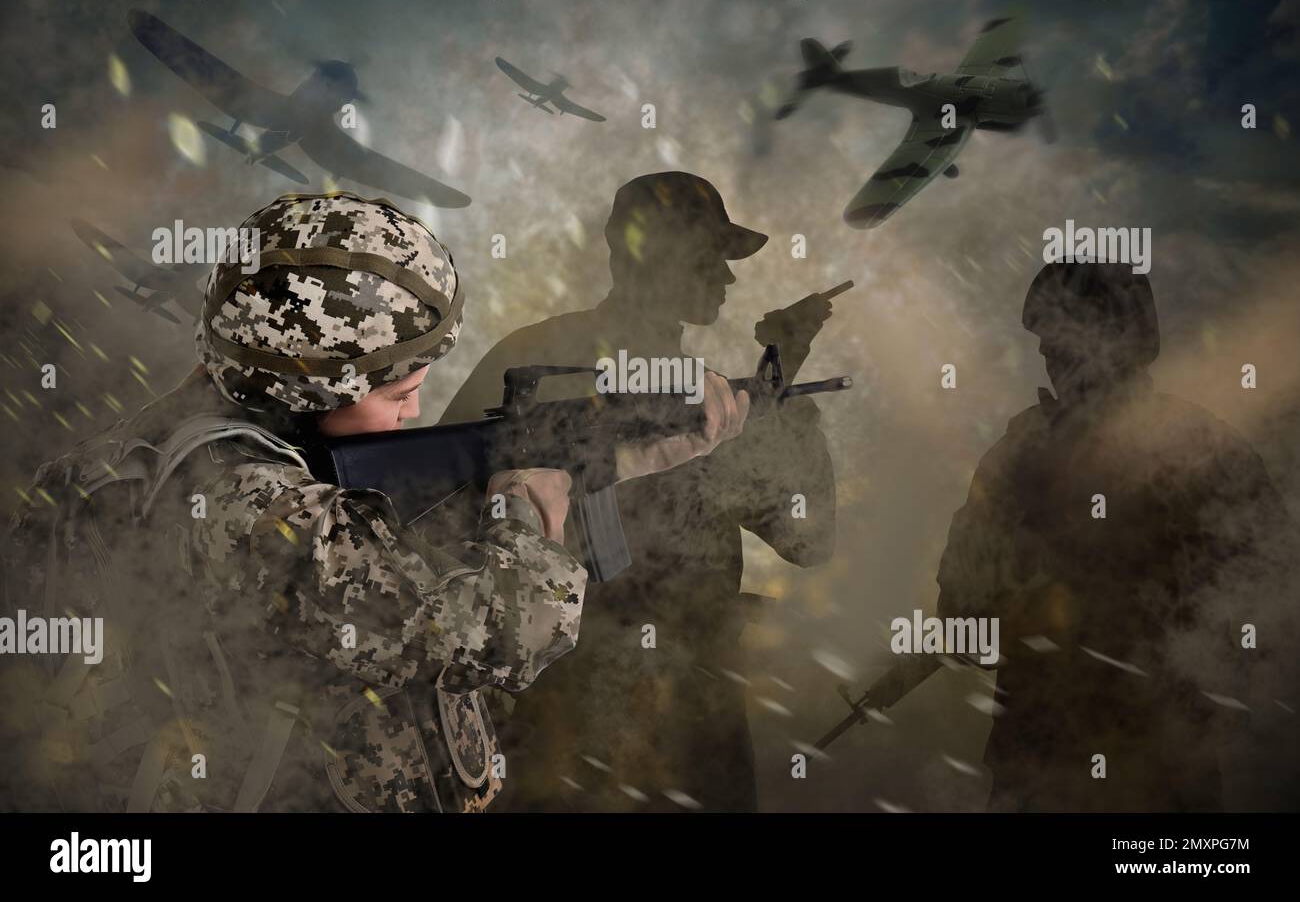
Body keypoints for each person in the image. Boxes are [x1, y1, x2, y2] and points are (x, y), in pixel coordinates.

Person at [1, 191, 744, 812]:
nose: (415, 414)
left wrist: (618, 452)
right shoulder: (253, 505)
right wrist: (526, 504)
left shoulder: (173, 432)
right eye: (399, 394)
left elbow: (369, 552)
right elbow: (495, 636)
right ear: (308, 390)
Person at [440, 171, 838, 811]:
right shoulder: (538, 362)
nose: (728, 279)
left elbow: (807, 537)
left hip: (686, 715)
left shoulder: (708, 399)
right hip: (563, 713)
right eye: (712, 258)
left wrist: (778, 384)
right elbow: (435, 508)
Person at [883, 259, 1292, 811]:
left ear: (1120, 340)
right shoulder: (1022, 453)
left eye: (1064, 335)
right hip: (1046, 750)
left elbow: (1266, 595)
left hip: (1154, 755)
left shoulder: (1202, 453)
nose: (1049, 353)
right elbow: (963, 605)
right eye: (1047, 339)